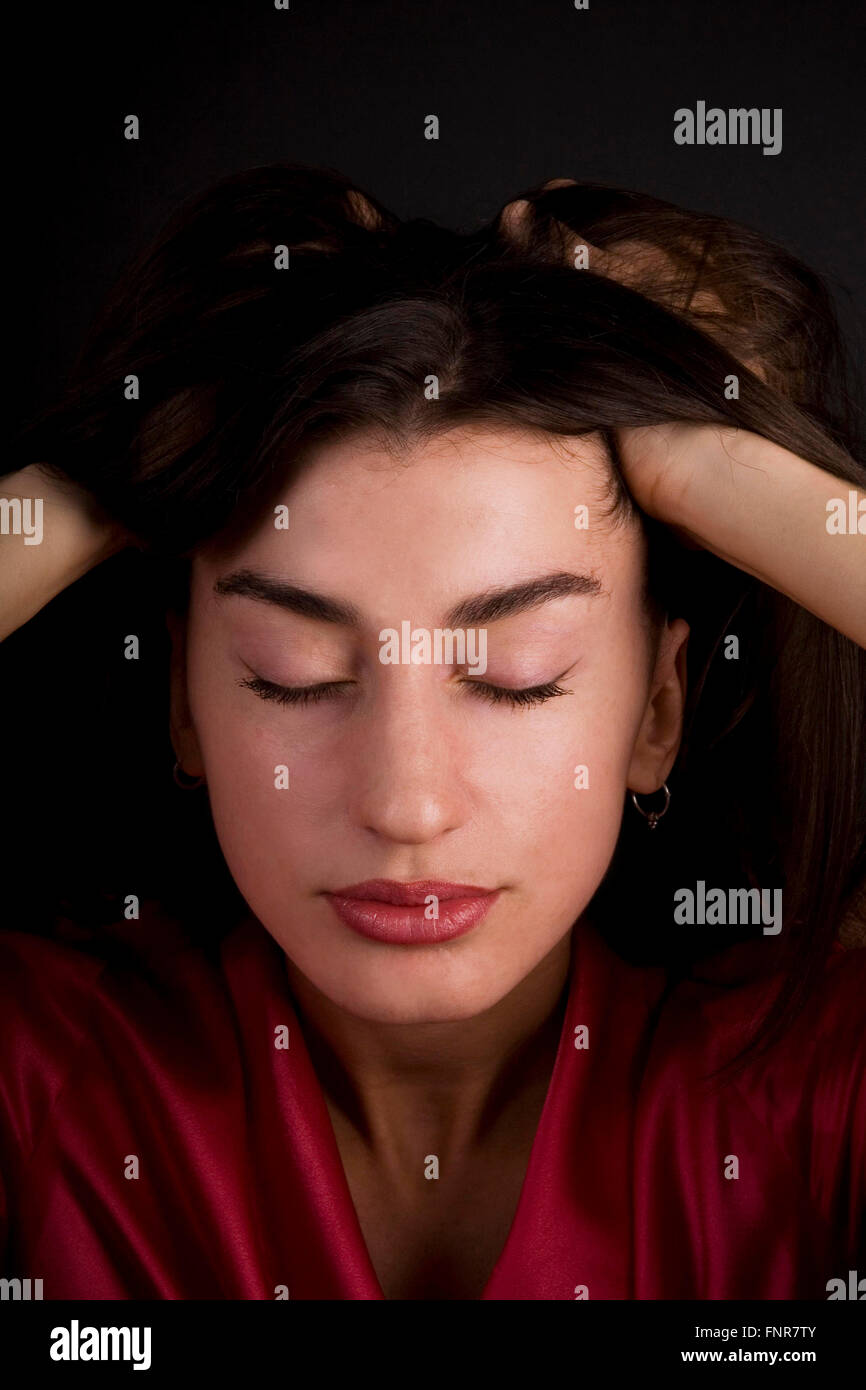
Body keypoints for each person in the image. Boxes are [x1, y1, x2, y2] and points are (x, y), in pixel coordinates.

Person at [1, 166, 864, 1300]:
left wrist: (711, 463)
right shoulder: (52, 1085)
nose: (406, 805)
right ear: (184, 701)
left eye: (515, 677)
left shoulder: (804, 1097)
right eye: (293, 676)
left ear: (658, 708)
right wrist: (106, 471)